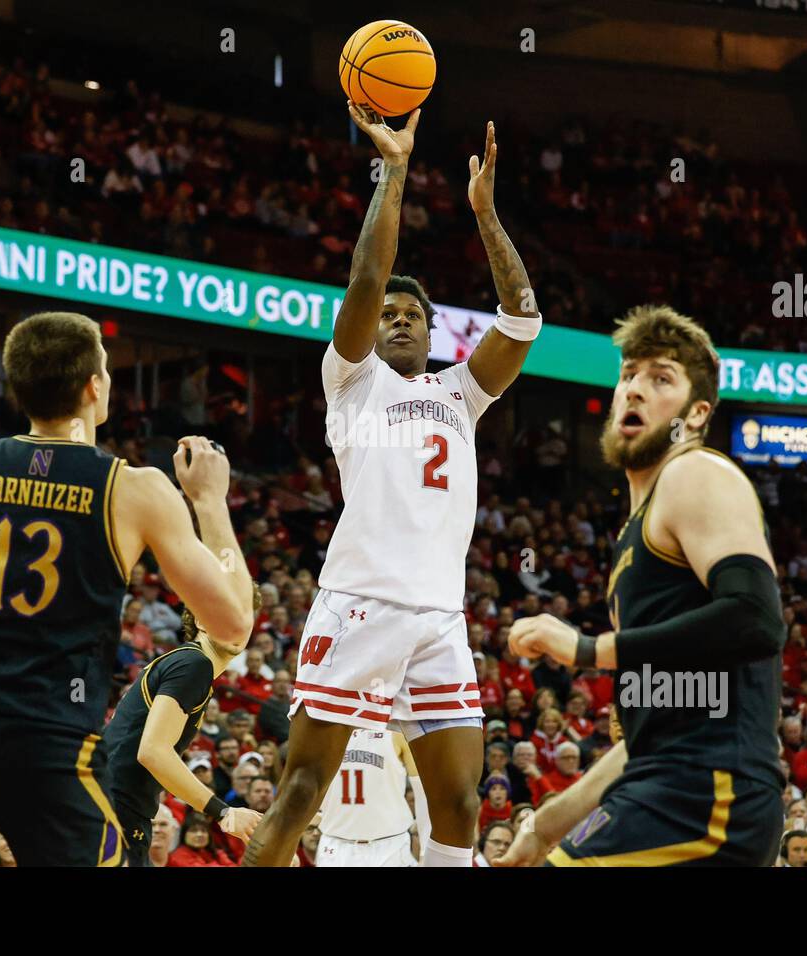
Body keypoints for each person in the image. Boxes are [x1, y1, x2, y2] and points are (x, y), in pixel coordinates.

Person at [245, 108, 540, 869]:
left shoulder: (460, 396)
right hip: (362, 603)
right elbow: (370, 274)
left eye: (416, 315)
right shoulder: (351, 382)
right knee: (303, 787)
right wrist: (397, 168)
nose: (400, 319)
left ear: (434, 333)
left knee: (461, 806)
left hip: (440, 616)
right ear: (372, 328)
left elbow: (523, 319)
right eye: (391, 315)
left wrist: (485, 215)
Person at [0, 311, 254, 866]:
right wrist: (210, 502)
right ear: (94, 386)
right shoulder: (133, 490)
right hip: (47, 742)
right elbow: (233, 626)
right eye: (108, 370)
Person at [499, 306, 785, 867]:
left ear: (697, 412)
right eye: (629, 374)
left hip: (708, 791)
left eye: (661, 379)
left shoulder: (696, 473)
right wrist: (542, 828)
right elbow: (645, 744)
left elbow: (756, 616)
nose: (635, 390)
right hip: (672, 786)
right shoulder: (636, 536)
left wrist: (588, 650)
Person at [103, 582, 264, 868]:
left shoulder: (187, 664)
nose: (238, 625)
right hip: (114, 809)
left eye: (245, 617)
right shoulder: (194, 664)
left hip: (117, 805)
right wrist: (224, 813)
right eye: (227, 613)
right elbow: (153, 751)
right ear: (201, 619)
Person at [315, 728, 427, 867]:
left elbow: (424, 795)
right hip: (335, 846)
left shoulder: (396, 731)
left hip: (390, 847)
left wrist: (425, 852)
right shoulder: (321, 729)